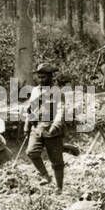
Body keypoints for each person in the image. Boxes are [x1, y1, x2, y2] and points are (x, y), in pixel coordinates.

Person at [25, 62, 69, 191]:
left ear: (50, 77)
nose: (40, 80)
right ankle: (45, 176)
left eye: (43, 77)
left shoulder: (57, 92)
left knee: (56, 161)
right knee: (31, 152)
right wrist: (27, 125)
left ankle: (59, 187)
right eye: (39, 77)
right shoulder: (34, 91)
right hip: (37, 127)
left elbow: (61, 109)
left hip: (51, 129)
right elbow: (30, 108)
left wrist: (56, 124)